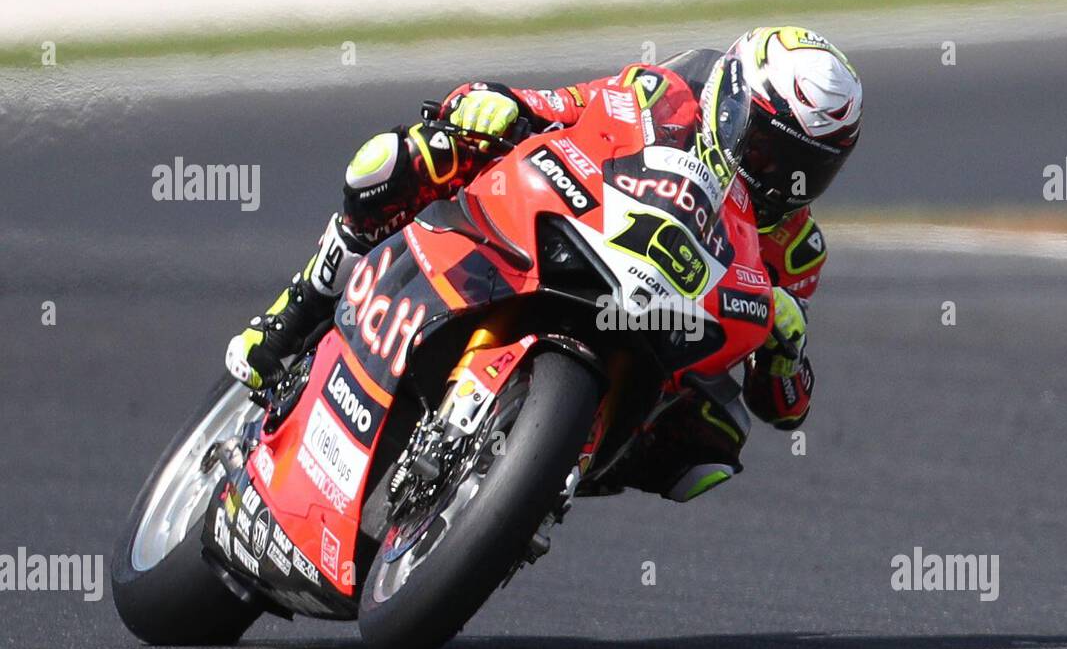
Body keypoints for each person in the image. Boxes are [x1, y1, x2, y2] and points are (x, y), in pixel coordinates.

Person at [225, 26, 862, 500]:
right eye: (769, 150)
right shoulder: (662, 96)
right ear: (732, 102)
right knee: (399, 161)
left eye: (810, 169)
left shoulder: (797, 248)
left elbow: (786, 407)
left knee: (718, 433)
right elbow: (558, 104)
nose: (784, 179)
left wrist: (787, 351)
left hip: (661, 339)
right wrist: (496, 105)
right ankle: (295, 314)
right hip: (573, 243)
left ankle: (554, 462)